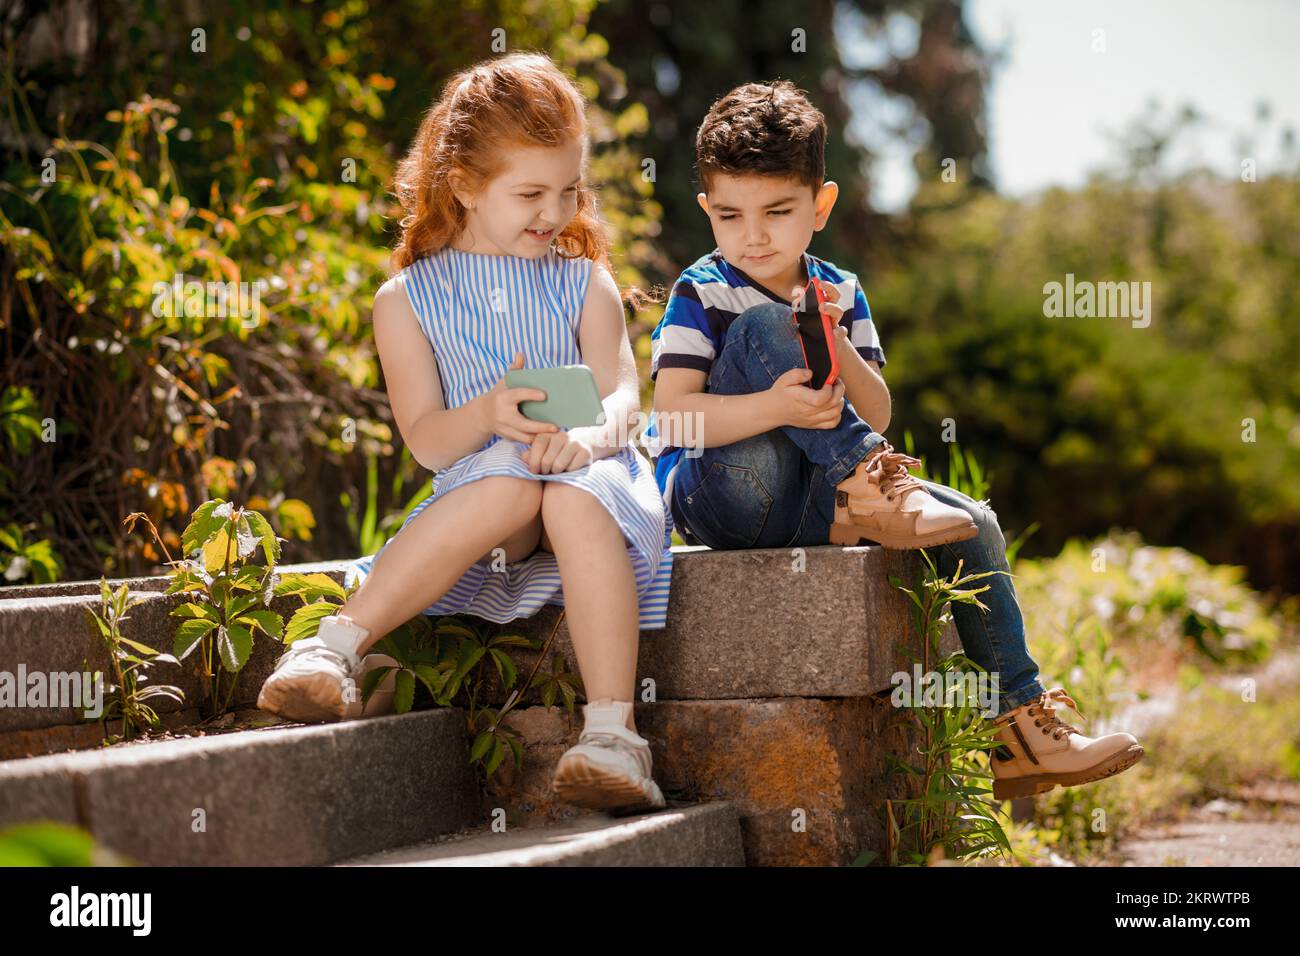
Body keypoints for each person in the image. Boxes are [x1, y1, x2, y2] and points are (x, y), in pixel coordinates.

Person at [646, 80, 1145, 800]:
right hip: (727, 496)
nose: (752, 235)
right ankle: (868, 488)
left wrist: (832, 339)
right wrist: (770, 404)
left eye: (777, 212)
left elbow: (873, 408)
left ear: (820, 206)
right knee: (763, 327)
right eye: (730, 215)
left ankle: (1021, 729)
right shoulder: (704, 288)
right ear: (707, 211)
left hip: (815, 495)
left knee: (973, 521)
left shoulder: (841, 289)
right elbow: (672, 418)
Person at [257, 52, 673, 814]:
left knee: (570, 498)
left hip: (596, 478)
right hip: (493, 499)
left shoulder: (584, 279)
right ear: (463, 186)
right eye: (530, 193)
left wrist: (585, 439)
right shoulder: (406, 300)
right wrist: (485, 414)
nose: (555, 212)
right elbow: (429, 443)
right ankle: (333, 647)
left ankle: (614, 734)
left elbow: (622, 397)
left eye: (569, 189)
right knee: (511, 478)